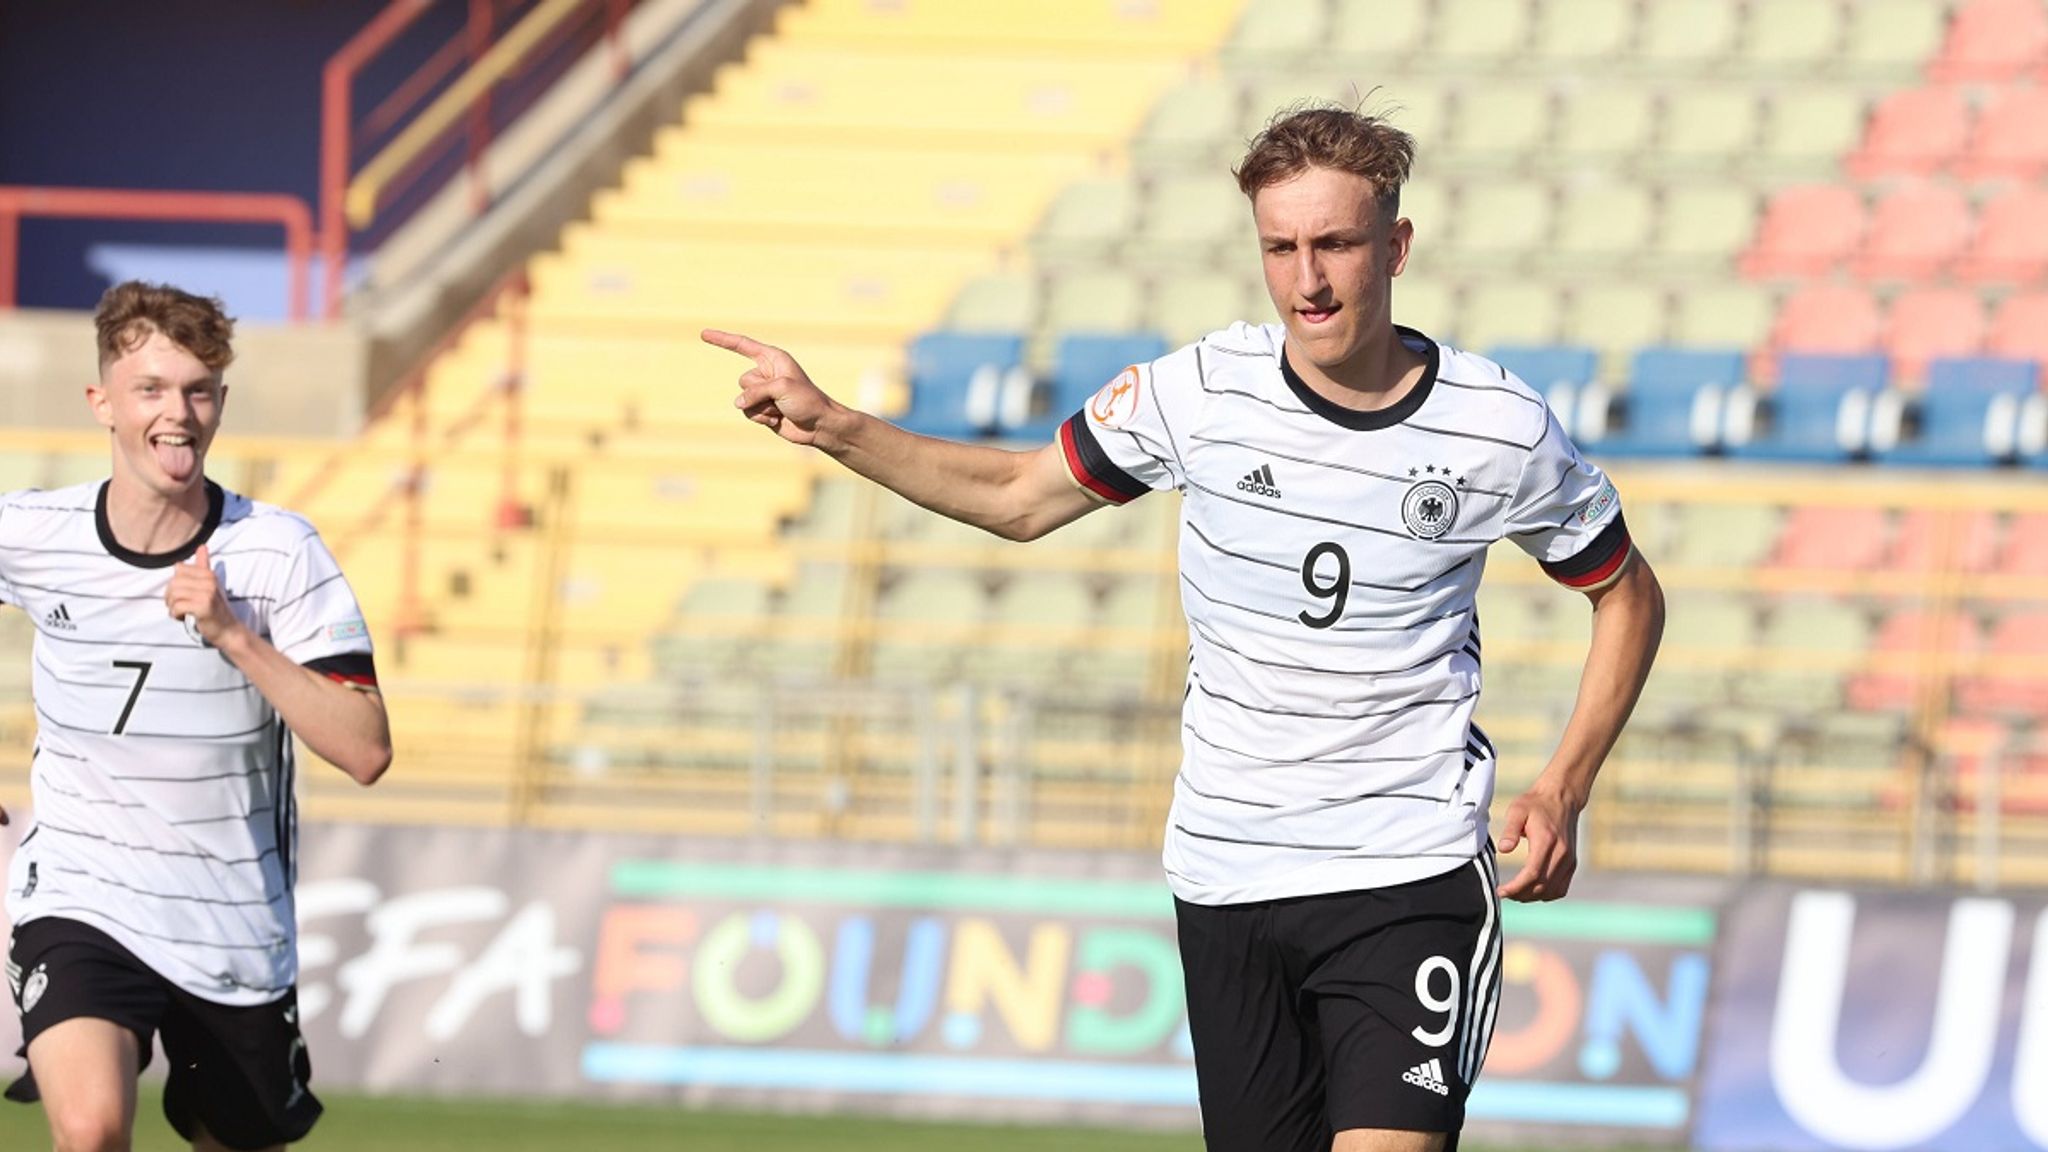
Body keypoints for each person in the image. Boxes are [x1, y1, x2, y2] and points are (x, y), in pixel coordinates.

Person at [704, 105, 1664, 1152]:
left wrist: (1561, 784)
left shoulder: (1495, 427)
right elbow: (1019, 499)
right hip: (1226, 874)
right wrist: (836, 428)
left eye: (1336, 244)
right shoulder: (1199, 390)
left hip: (1405, 870)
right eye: (1280, 248)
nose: (1308, 280)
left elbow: (1625, 594)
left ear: (1394, 246)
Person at [0, 281, 392, 1152]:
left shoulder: (279, 552)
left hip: (232, 924)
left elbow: (365, 750)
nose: (176, 413)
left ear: (220, 403)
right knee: (91, 1131)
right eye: (151, 388)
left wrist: (234, 637)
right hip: (81, 894)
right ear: (102, 402)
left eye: (199, 390)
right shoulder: (31, 531)